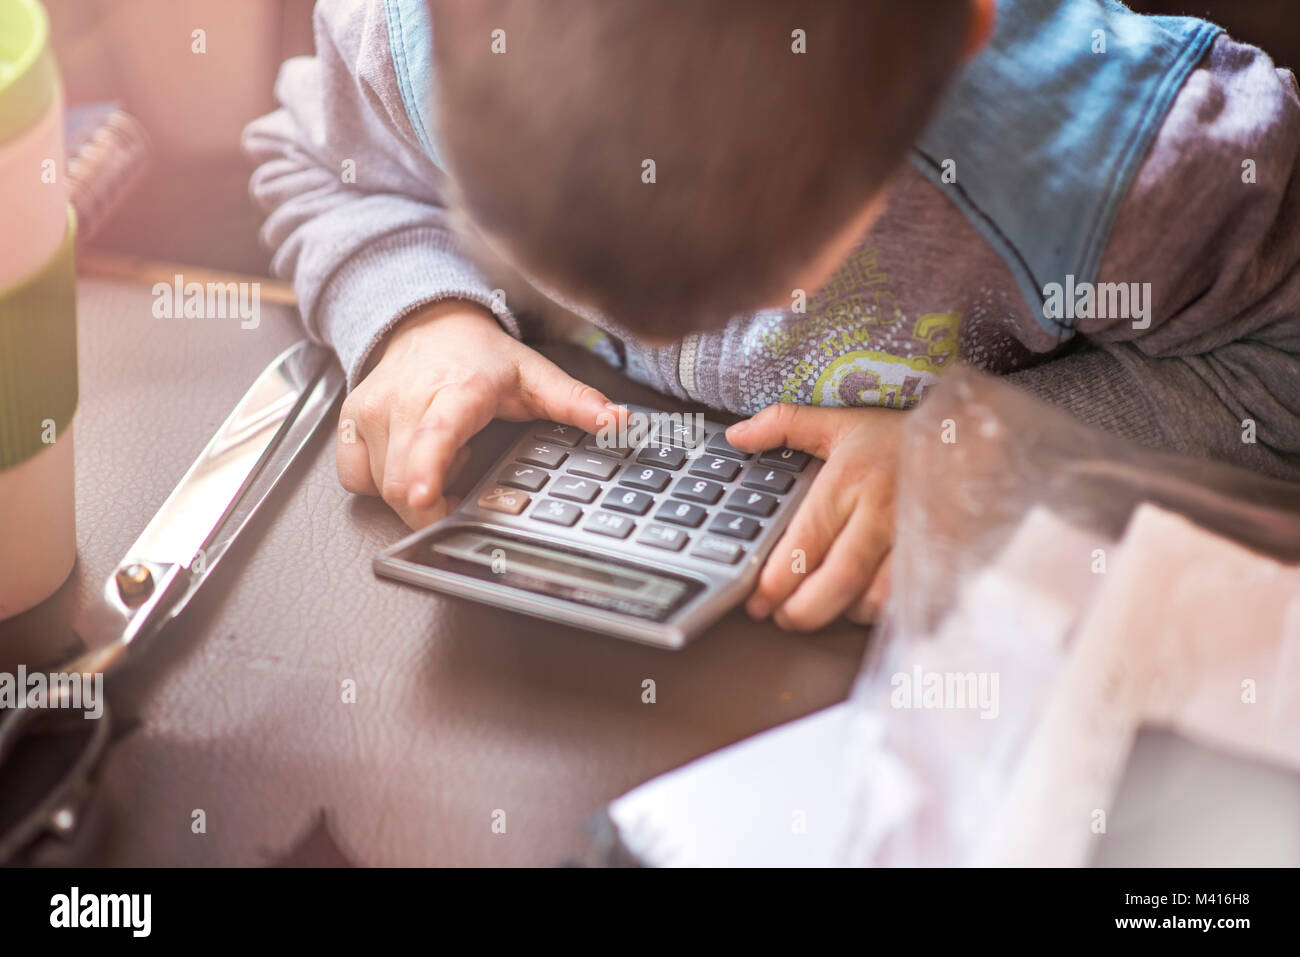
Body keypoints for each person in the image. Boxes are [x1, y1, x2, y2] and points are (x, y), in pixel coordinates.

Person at [244, 0, 1300, 631]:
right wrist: (418, 311)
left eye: (744, 273)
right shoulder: (412, 40)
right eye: (548, 250)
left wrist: (1004, 447)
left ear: (956, 45)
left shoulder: (1118, 172)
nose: (653, 328)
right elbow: (319, 162)